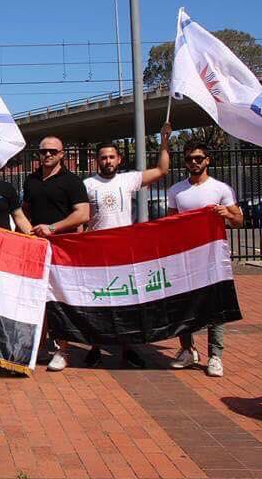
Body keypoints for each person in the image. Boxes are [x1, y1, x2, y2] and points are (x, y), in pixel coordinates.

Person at [82, 124, 172, 369]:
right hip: (97, 252)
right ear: (97, 161)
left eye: (112, 157)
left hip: (124, 252)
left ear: (118, 159)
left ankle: (128, 348)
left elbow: (162, 169)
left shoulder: (128, 179)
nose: (108, 161)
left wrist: (164, 141)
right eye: (103, 157)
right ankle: (96, 348)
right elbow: (82, 218)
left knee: (127, 301)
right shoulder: (88, 185)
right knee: (97, 301)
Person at [166, 141, 243, 378]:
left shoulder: (220, 189)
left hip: (213, 258)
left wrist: (226, 213)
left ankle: (215, 356)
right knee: (183, 303)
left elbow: (238, 220)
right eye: (190, 158)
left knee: (215, 306)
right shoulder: (176, 191)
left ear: (207, 160)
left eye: (199, 158)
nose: (194, 162)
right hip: (186, 258)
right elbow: (169, 224)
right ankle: (187, 349)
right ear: (185, 162)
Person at [21, 136, 90, 372]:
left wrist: (53, 228)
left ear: (62, 154)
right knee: (38, 297)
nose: (47, 155)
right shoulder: (31, 181)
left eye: (53, 151)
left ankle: (63, 349)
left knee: (60, 299)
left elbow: (83, 214)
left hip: (64, 247)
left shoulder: (72, 182)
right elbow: (25, 212)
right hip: (37, 248)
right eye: (43, 151)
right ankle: (39, 346)